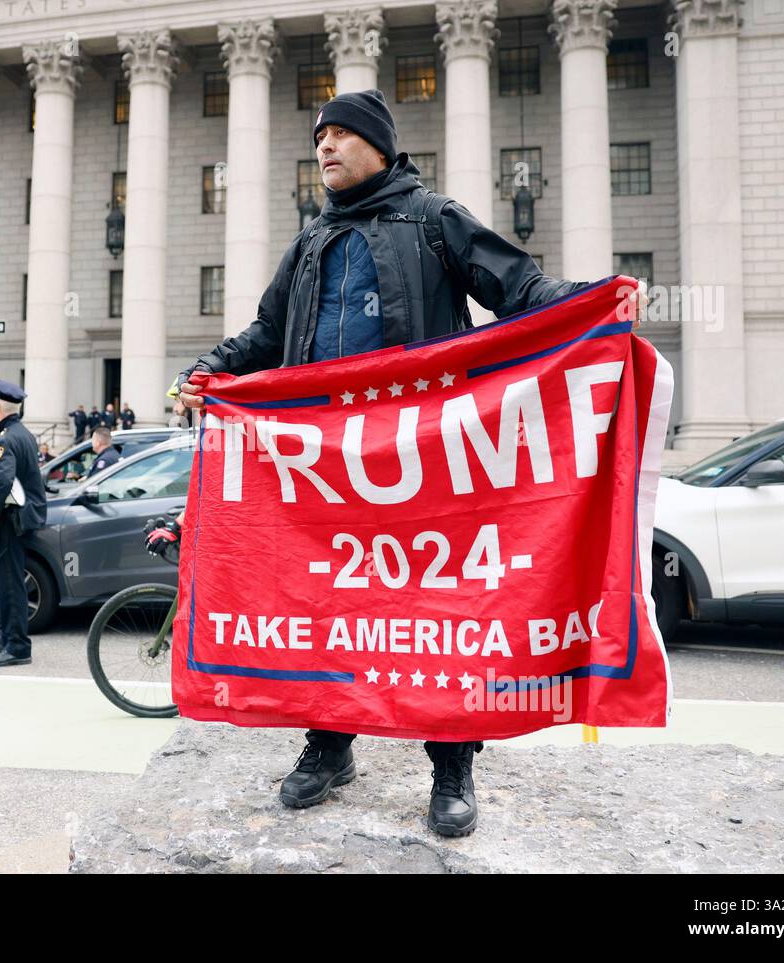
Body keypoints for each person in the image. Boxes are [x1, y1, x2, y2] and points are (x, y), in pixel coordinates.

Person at [172, 89, 645, 838]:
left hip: (422, 465)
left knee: (436, 607)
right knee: (327, 605)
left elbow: (519, 289)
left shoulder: (434, 218)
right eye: (318, 136)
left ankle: (452, 765)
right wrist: (207, 370)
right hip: (325, 469)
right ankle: (329, 747)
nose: (323, 146)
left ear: (380, 146)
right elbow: (266, 334)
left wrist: (594, 303)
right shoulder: (310, 242)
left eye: (339, 135)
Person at [0, 380, 46, 667]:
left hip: (9, 520)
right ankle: (9, 638)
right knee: (11, 582)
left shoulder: (6, 438)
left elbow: (0, 482)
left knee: (9, 585)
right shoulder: (22, 434)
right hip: (18, 519)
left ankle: (17, 646)